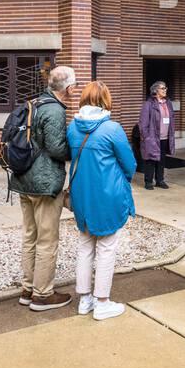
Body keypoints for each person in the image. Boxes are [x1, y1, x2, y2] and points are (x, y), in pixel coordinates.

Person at [66, 81, 137, 321]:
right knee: (106, 247)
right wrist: (121, 179)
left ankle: (85, 299)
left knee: (85, 246)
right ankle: (102, 303)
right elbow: (130, 164)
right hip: (108, 195)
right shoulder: (112, 128)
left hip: (81, 194)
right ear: (106, 100)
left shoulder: (73, 128)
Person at [10, 64, 77, 311]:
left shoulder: (35, 103)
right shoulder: (55, 110)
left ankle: (28, 289)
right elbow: (57, 148)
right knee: (47, 240)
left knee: (30, 236)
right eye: (74, 85)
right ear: (68, 88)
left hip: (24, 179)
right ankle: (43, 295)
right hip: (44, 184)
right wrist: (76, 150)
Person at [138, 81, 175, 190]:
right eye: (162, 88)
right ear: (156, 90)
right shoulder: (149, 104)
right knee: (150, 159)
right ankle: (148, 182)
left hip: (165, 137)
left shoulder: (168, 103)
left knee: (161, 159)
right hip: (152, 137)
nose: (165, 90)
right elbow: (143, 123)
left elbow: (171, 119)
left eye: (165, 88)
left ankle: (160, 180)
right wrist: (146, 137)